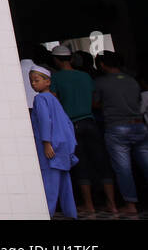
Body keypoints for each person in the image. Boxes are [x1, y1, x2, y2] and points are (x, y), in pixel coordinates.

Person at [50, 45, 116, 214]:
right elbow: (95, 100)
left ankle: (89, 205)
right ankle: (112, 205)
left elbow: (55, 104)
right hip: (90, 121)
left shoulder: (56, 78)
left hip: (71, 125)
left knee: (82, 165)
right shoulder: (85, 76)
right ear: (70, 58)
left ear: (56, 60)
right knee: (102, 162)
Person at [93, 51, 148, 215]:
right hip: (139, 126)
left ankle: (130, 206)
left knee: (123, 169)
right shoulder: (131, 80)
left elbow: (95, 103)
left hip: (117, 128)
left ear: (102, 65)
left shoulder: (100, 82)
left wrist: (109, 106)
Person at [30, 66, 78, 218]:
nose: (33, 84)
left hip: (50, 147)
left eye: (36, 80)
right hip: (62, 145)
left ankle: (47, 214)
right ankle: (71, 213)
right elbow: (67, 123)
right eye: (31, 81)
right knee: (65, 183)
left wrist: (46, 143)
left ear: (47, 81)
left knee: (50, 184)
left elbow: (45, 121)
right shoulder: (54, 99)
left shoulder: (40, 99)